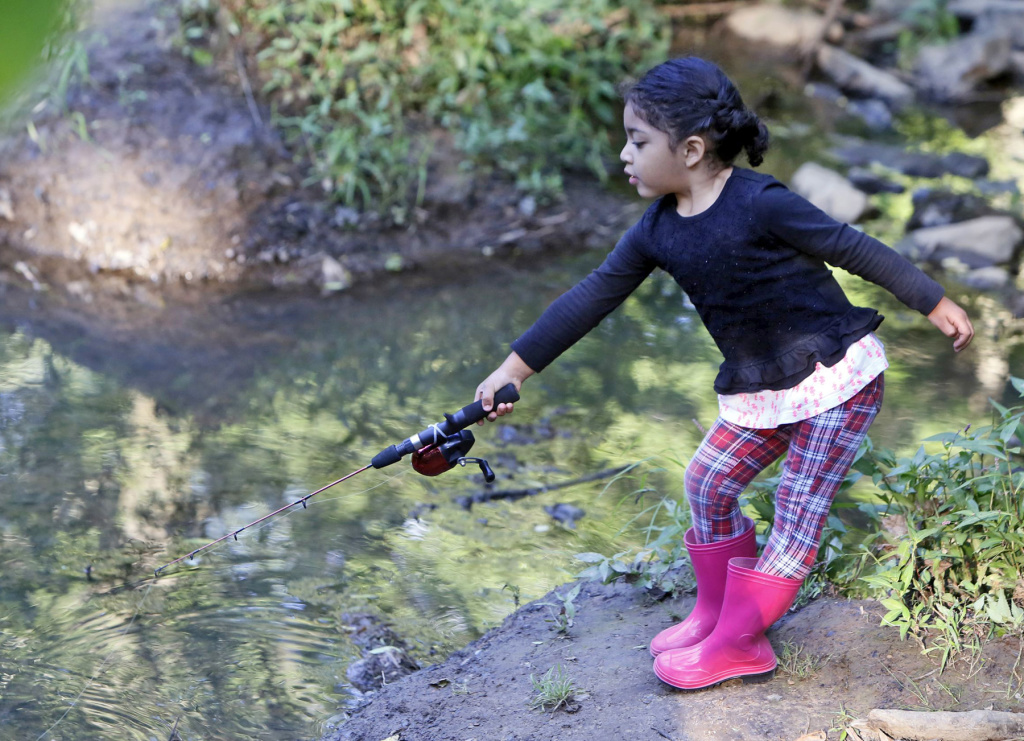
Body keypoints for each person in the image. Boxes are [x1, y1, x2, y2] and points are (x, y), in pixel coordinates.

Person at [473, 57, 974, 690]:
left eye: (637, 141)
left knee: (797, 507)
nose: (624, 155)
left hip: (834, 380)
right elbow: (592, 296)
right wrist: (514, 368)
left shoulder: (762, 203)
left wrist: (933, 300)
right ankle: (716, 613)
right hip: (763, 386)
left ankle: (741, 643)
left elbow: (852, 246)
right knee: (707, 482)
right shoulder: (656, 230)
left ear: (689, 149)